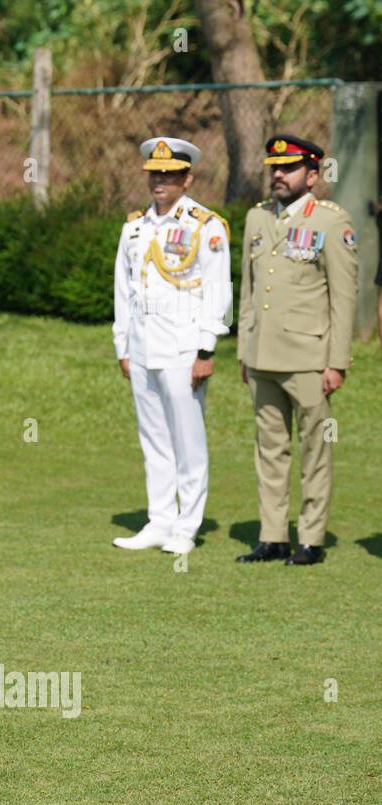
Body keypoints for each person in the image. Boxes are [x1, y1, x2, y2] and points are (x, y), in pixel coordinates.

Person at [236, 134, 358, 566]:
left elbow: (343, 299)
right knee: (269, 448)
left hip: (308, 358)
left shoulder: (330, 221)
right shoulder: (257, 219)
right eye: (274, 168)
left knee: (314, 449)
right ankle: (273, 537)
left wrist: (336, 362)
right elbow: (249, 290)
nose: (278, 175)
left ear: (313, 175)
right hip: (262, 355)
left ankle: (310, 538)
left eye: (287, 169)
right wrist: (243, 351)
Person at [112, 137, 232, 555]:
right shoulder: (135, 227)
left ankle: (186, 526)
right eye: (154, 174)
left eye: (169, 174)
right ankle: (159, 520)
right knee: (154, 438)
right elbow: (124, 291)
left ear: (187, 178)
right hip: (143, 347)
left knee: (187, 440)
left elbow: (218, 291)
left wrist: (206, 349)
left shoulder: (206, 225)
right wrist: (122, 346)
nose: (160, 180)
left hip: (183, 348)